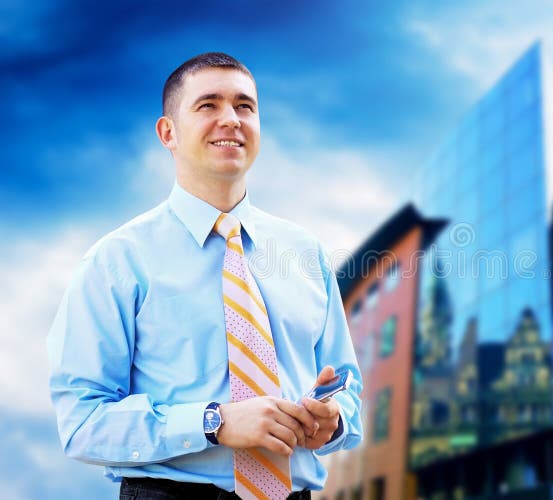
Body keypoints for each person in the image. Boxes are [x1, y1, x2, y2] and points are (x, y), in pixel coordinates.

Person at [47, 52, 363, 500]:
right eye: (208, 105)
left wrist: (331, 421)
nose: (231, 119)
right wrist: (214, 422)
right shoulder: (117, 261)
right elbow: (81, 422)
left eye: (245, 106)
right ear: (167, 133)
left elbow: (348, 383)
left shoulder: (305, 252)